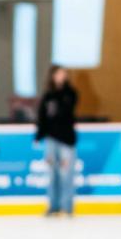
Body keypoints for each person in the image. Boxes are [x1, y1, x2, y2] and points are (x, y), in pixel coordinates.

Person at [34, 65, 78, 217]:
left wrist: (60, 92)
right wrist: (39, 135)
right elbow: (42, 117)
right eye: (58, 74)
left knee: (67, 174)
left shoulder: (70, 93)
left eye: (63, 74)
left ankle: (67, 207)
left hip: (66, 139)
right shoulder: (48, 96)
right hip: (51, 140)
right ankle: (53, 206)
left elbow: (67, 112)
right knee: (52, 174)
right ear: (52, 76)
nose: (61, 76)